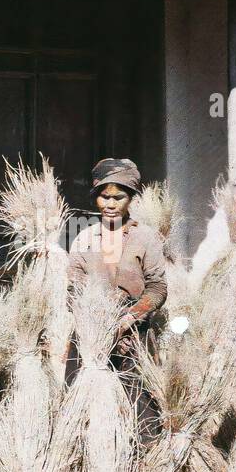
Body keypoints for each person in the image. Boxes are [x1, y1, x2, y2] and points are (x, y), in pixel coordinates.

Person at [66, 157, 167, 435]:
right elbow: (73, 290)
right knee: (84, 417)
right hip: (90, 336)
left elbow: (157, 288)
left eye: (118, 197)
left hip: (133, 336)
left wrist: (128, 319)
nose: (110, 204)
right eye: (103, 196)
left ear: (131, 198)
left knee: (142, 414)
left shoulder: (146, 238)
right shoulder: (84, 238)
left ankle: (145, 470)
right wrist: (96, 323)